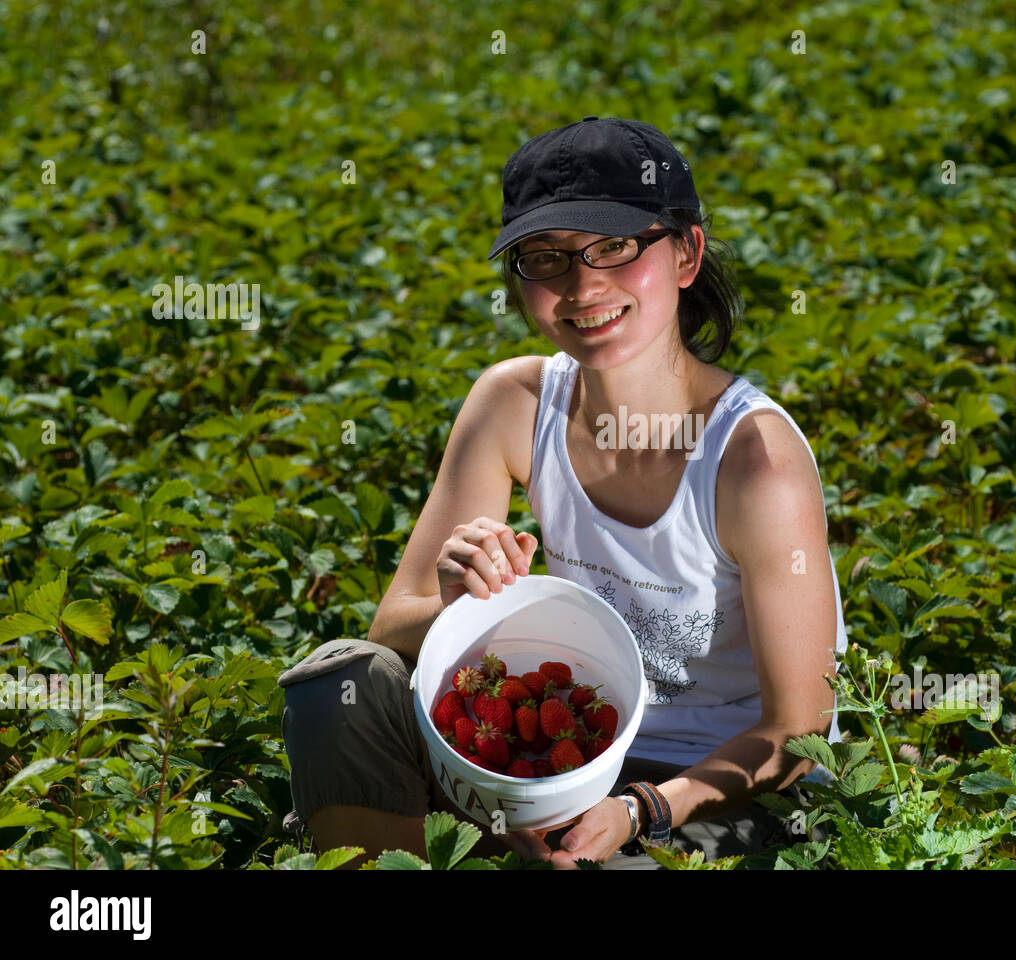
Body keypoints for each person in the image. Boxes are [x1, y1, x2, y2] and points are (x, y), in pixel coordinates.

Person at [278, 116, 848, 869]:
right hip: (555, 759)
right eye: (545, 259)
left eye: (614, 248)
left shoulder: (752, 461)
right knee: (339, 685)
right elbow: (391, 632)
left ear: (685, 253)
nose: (583, 287)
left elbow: (797, 732)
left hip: (717, 792)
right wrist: (458, 596)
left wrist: (640, 812)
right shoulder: (513, 404)